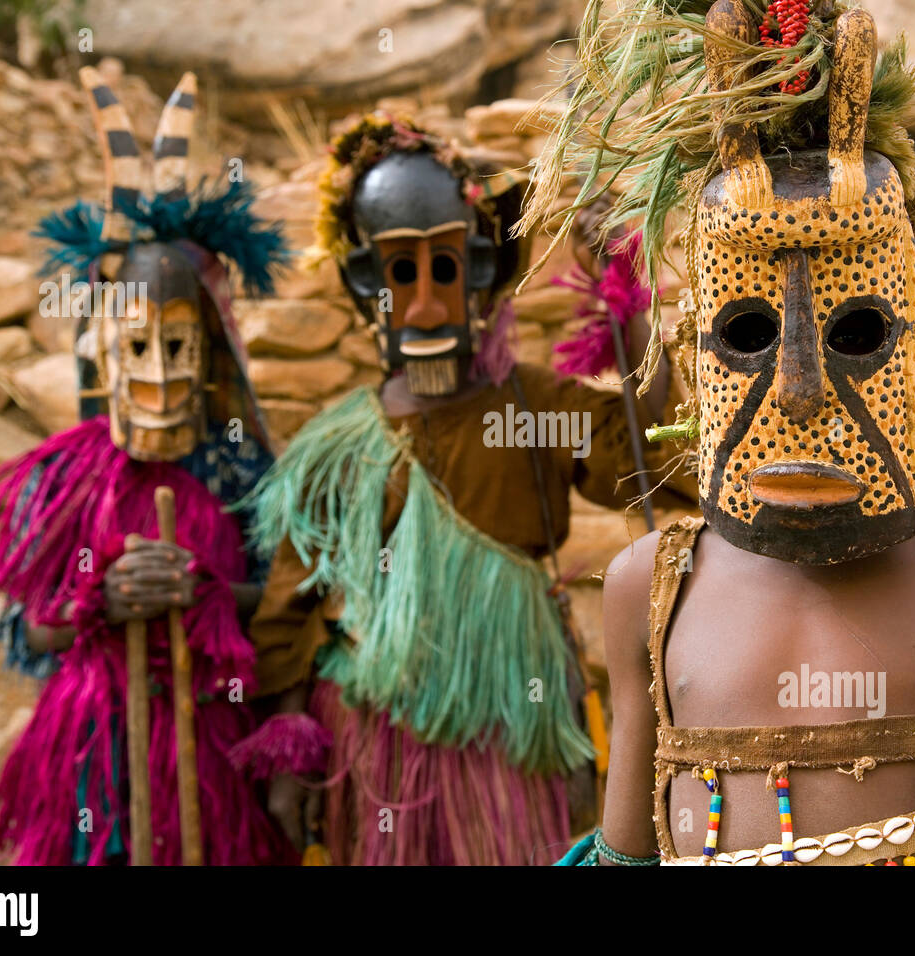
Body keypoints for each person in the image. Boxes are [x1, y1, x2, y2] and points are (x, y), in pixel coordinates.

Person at [536, 0, 915, 866]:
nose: (797, 390)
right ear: (694, 350)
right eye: (747, 332)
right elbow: (627, 857)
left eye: (856, 333)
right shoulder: (648, 587)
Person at [237, 112, 692, 865]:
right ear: (366, 288)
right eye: (398, 274)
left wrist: (628, 291)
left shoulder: (539, 408)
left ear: (481, 275)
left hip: (518, 732)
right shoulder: (334, 446)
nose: (420, 305)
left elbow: (659, 462)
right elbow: (291, 609)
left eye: (443, 270)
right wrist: (287, 757)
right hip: (375, 746)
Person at [0, 68, 295, 866]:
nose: (157, 370)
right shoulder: (63, 478)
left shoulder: (247, 471)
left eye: (177, 344)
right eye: (136, 345)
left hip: (215, 752)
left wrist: (210, 594)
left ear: (210, 351)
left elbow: (291, 608)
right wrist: (99, 598)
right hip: (91, 754)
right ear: (102, 350)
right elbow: (29, 634)